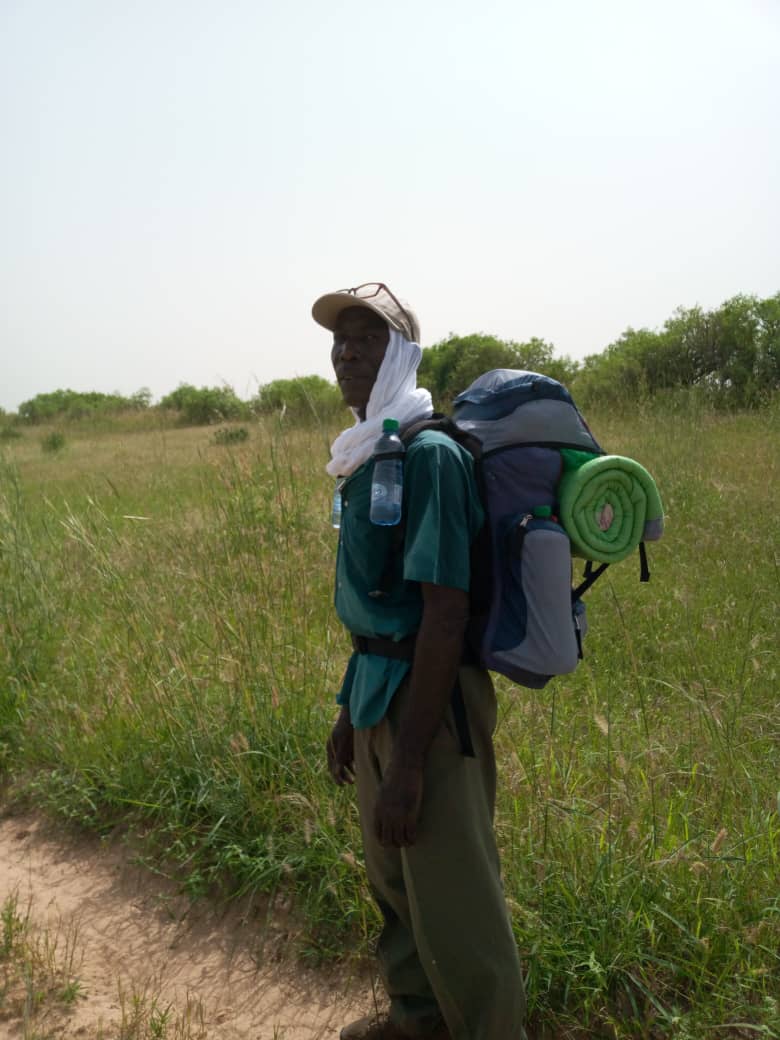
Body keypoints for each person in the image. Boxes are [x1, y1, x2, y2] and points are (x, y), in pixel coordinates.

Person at [312, 283, 527, 1040]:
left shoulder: (428, 454)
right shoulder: (368, 452)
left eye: (368, 339)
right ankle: (417, 1019)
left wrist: (407, 763)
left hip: (430, 710)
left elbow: (443, 615)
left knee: (456, 896)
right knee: (395, 882)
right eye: (340, 341)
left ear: (402, 353)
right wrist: (349, 711)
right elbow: (379, 612)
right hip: (377, 690)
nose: (347, 353)